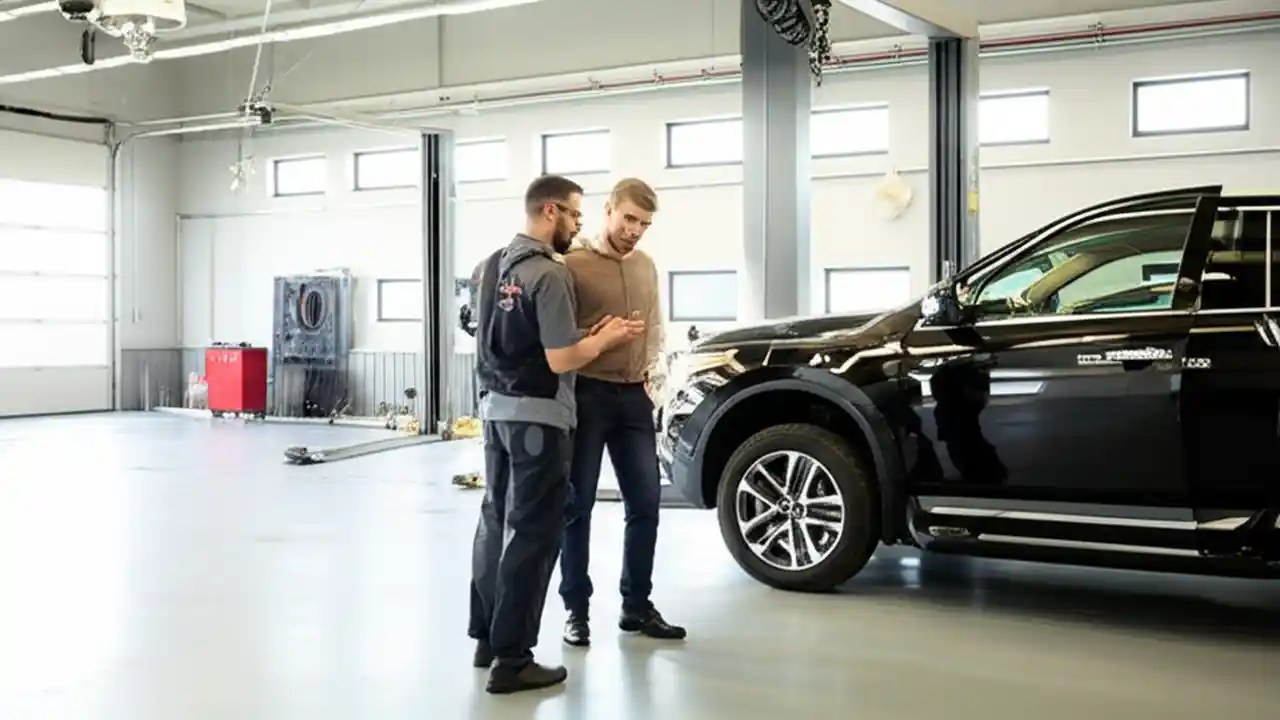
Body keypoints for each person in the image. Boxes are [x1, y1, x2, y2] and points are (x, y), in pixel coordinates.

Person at [468, 174, 645, 695]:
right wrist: (607, 337)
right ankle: (514, 659)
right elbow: (560, 358)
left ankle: (487, 638)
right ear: (550, 212)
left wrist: (577, 337)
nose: (577, 225)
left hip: (496, 414)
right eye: (574, 214)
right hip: (541, 420)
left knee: (496, 522)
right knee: (533, 533)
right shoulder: (550, 273)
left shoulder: (492, 265)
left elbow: (514, 335)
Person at [558, 178, 687, 647]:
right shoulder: (572, 263)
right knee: (577, 507)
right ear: (609, 210)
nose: (635, 230)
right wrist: (596, 335)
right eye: (629, 218)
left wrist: (656, 384)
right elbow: (555, 334)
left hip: (635, 398)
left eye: (645, 224)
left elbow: (655, 327)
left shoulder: (647, 266)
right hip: (588, 395)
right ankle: (576, 610)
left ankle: (636, 606)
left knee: (647, 505)